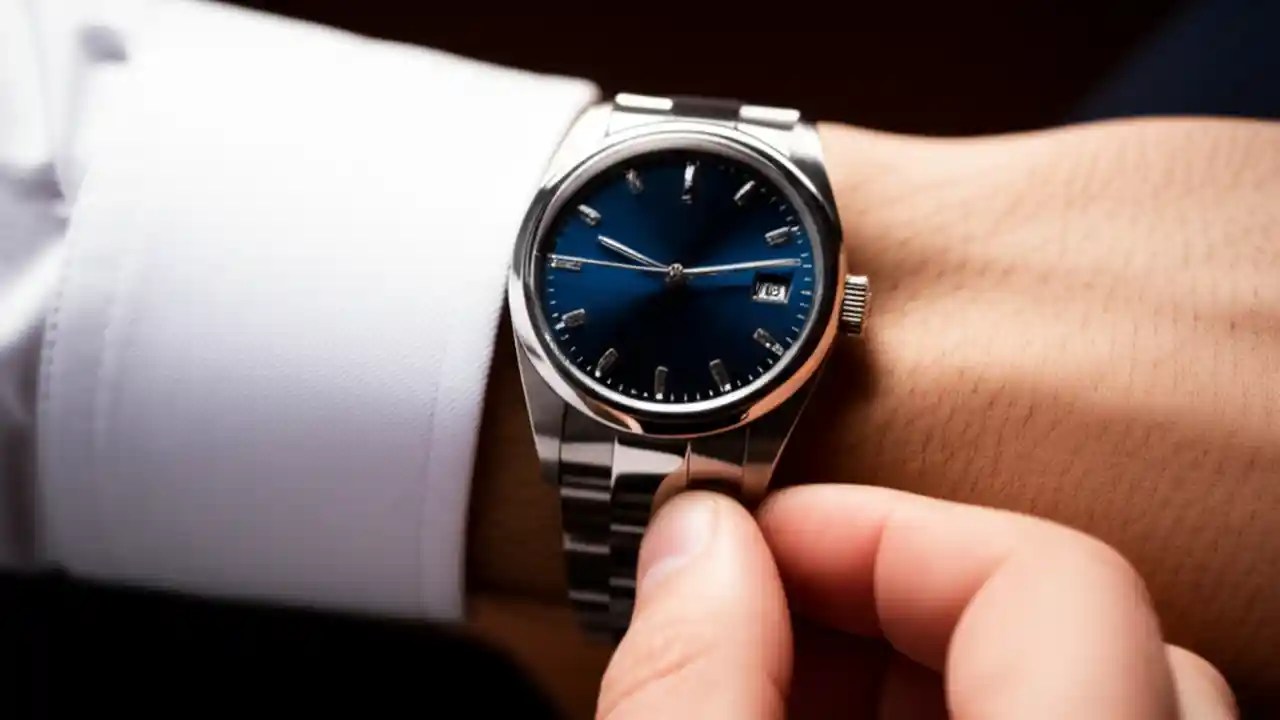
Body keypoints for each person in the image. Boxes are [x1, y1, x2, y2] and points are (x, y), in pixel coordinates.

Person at [2, 1, 1275, 717]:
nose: (675, 274)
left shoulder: (785, 295)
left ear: (845, 307)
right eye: (668, 268)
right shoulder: (569, 262)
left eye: (701, 268)